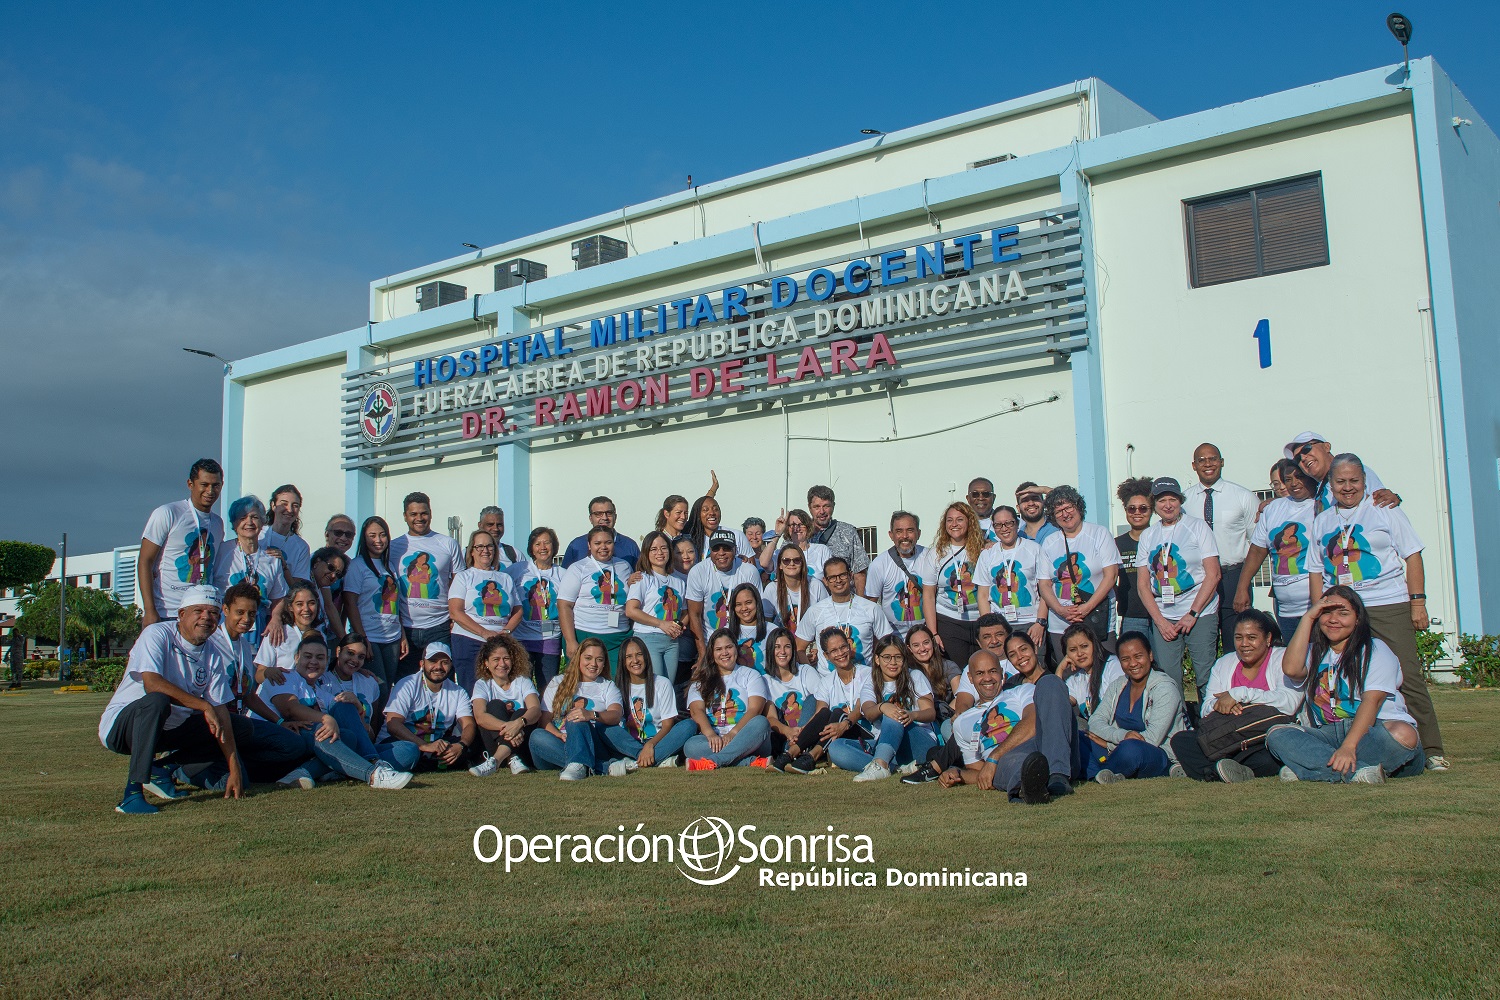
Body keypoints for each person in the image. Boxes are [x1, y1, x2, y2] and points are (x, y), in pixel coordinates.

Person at [1307, 454, 1445, 770]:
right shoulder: (1322, 521)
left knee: (1407, 676)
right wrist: (1319, 611)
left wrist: (1417, 602)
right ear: (1331, 485)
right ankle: (1347, 743)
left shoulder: (1385, 511)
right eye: (1340, 481)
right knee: (1340, 677)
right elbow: (1317, 571)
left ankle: (1433, 749)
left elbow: (1412, 555)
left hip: (1387, 604)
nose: (1348, 487)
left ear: (1365, 481)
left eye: (1354, 480)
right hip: (1342, 609)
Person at [98, 585, 246, 814]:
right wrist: (202, 705)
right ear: (181, 614)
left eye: (213, 612)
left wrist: (234, 767)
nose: (206, 618)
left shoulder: (213, 653)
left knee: (240, 726)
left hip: (168, 730)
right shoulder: (157, 634)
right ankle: (132, 794)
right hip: (123, 727)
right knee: (157, 700)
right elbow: (152, 683)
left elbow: (221, 710)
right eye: (198, 610)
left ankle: (162, 768)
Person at [1269, 588, 1426, 782]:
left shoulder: (1375, 649)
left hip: (1374, 731)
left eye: (1343, 614)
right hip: (1329, 733)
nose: (1333, 620)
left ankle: (1312, 768)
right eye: (1326, 613)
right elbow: (1291, 669)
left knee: (1404, 735)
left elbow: (1372, 702)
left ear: (1358, 618)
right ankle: (1359, 773)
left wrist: (1349, 747)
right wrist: (1308, 618)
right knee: (1277, 734)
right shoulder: (1313, 651)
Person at [176, 581, 305, 790]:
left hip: (239, 725)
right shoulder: (210, 642)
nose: (246, 619)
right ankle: (181, 768)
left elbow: (248, 695)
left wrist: (279, 721)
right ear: (225, 610)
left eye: (252, 614)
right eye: (240, 612)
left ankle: (232, 764)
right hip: (214, 725)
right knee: (236, 784)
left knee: (293, 744)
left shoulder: (245, 647)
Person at [262, 633, 415, 791]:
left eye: (320, 658)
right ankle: (372, 772)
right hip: (276, 740)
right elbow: (290, 709)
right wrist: (327, 718)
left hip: (319, 745)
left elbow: (358, 722)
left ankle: (335, 768)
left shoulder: (318, 691)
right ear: (296, 657)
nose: (314, 662)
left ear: (326, 660)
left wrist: (356, 704)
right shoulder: (285, 676)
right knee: (330, 733)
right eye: (308, 656)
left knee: (408, 749)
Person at [1170, 610, 1301, 782]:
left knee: (1269, 758)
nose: (1244, 644)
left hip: (1263, 739)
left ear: (1268, 638)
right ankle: (1227, 770)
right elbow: (1206, 709)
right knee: (1181, 740)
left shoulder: (1282, 658)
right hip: (1227, 738)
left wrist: (1238, 695)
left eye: (1252, 637)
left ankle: (1210, 771)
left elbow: (1290, 703)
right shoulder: (1224, 663)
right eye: (1239, 638)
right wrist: (1226, 705)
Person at [1136, 476, 1221, 701]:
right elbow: (1143, 585)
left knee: (1205, 674)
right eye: (1162, 500)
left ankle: (1209, 726)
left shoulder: (1197, 526)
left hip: (1199, 611)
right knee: (1169, 679)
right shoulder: (1148, 535)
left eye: (1172, 499)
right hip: (1164, 615)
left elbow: (1213, 574)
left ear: (1180, 501)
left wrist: (1192, 614)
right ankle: (1177, 729)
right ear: (1154, 504)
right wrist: (1160, 621)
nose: (1168, 505)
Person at [829, 635, 939, 782]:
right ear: (877, 659)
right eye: (887, 657)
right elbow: (868, 712)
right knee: (836, 747)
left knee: (894, 713)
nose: (892, 662)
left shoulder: (915, 676)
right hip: (885, 743)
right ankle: (893, 767)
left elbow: (930, 713)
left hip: (918, 741)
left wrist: (912, 715)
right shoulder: (871, 682)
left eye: (898, 657)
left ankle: (880, 764)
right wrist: (882, 706)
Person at [1182, 443, 1259, 649]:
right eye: (1202, 460)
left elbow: (1257, 545)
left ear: (1222, 462)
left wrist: (1244, 584)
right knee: (1203, 644)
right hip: (1199, 580)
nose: (1208, 464)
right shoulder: (1184, 502)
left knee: (1237, 643)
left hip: (1233, 576)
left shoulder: (1243, 496)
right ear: (1194, 465)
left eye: (1213, 458)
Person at [1087, 631, 1186, 783]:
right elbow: (1095, 721)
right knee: (1081, 738)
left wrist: (1108, 743)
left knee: (1131, 750)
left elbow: (1152, 739)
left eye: (1138, 656)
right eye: (1125, 659)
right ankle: (1107, 773)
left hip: (1154, 752)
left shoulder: (1165, 688)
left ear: (1150, 656)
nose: (1133, 664)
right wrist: (1120, 736)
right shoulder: (1118, 685)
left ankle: (1098, 771)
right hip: (1120, 745)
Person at [1037, 485, 1121, 664]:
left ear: (1079, 507)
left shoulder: (1099, 533)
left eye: (1068, 507)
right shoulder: (1049, 542)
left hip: (1096, 615)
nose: (1065, 514)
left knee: (1104, 667)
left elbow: (1111, 575)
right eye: (1058, 511)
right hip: (1062, 621)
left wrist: (1087, 607)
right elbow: (1044, 584)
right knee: (1069, 671)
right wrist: (1060, 610)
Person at [138, 459, 224, 627]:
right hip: (168, 611)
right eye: (204, 484)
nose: (210, 491)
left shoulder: (217, 523)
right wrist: (149, 610)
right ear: (190, 484)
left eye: (216, 485)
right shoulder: (168, 513)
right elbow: (145, 561)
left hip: (201, 612)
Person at [388, 492, 465, 682]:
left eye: (423, 513)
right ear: (405, 516)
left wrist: (457, 618)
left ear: (430, 514)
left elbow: (460, 584)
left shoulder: (448, 544)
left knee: (442, 679)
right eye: (413, 514)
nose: (419, 518)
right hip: (407, 627)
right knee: (405, 682)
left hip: (440, 626)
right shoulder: (393, 547)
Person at [1237, 460, 1318, 639]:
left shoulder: (1321, 506)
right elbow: (1258, 551)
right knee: (1294, 662)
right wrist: (1242, 587)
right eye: (1288, 479)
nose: (1294, 483)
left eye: (1300, 477)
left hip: (1315, 604)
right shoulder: (1273, 509)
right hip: (1285, 606)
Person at [529, 636, 625, 781]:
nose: (593, 664)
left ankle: (579, 764)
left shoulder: (607, 686)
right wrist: (558, 735)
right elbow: (544, 719)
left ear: (604, 663)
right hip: (557, 745)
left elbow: (616, 714)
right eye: (588, 658)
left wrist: (591, 715)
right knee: (536, 736)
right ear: (579, 658)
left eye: (599, 659)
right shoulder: (558, 682)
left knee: (577, 718)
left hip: (592, 744)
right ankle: (603, 767)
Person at [682, 629, 774, 769]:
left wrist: (733, 734)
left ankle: (714, 762)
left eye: (728, 647)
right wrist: (711, 734)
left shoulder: (751, 675)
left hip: (746, 736)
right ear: (712, 655)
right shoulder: (700, 681)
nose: (724, 653)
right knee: (691, 747)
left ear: (736, 650)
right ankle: (750, 762)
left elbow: (755, 709)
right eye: (718, 649)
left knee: (761, 722)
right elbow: (697, 711)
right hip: (715, 738)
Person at [379, 642, 477, 771]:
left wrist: (461, 745)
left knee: (471, 744)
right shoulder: (407, 684)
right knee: (409, 751)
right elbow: (393, 724)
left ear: (450, 665)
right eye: (433, 661)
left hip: (435, 744)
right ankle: (426, 762)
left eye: (444, 662)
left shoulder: (458, 691)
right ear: (422, 664)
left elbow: (468, 724)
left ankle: (427, 763)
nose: (438, 667)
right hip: (400, 742)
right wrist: (424, 746)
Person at [603, 635, 694, 771]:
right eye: (629, 657)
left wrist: (650, 744)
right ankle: (653, 758)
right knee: (603, 728)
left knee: (689, 725)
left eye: (639, 654)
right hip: (630, 743)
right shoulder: (617, 687)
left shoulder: (662, 683)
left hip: (658, 741)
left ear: (646, 656)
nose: (635, 660)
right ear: (623, 661)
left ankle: (635, 762)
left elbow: (667, 725)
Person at [448, 530, 523, 691]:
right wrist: (483, 632)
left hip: (500, 642)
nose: (485, 550)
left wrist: (507, 631)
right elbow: (455, 612)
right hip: (469, 640)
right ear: (472, 551)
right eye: (480, 546)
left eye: (489, 546)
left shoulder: (505, 578)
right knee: (471, 690)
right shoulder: (463, 577)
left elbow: (518, 610)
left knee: (498, 690)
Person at [341, 515, 406, 700]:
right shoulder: (357, 565)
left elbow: (396, 603)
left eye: (382, 535)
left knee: (389, 690)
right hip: (371, 637)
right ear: (364, 538)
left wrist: (401, 634)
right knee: (380, 688)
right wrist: (362, 639)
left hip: (392, 638)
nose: (378, 540)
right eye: (372, 535)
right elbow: (350, 603)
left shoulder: (390, 566)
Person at [916, 502, 986, 668]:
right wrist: (933, 633)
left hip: (978, 619)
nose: (954, 524)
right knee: (957, 671)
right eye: (950, 520)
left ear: (970, 522)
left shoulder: (983, 550)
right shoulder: (936, 554)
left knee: (982, 667)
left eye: (960, 519)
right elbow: (928, 595)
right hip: (949, 620)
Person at [213, 495, 288, 647]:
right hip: (226, 621)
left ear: (262, 522)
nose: (249, 522)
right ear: (234, 524)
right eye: (242, 518)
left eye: (254, 517)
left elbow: (279, 596)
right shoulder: (221, 551)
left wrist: (276, 619)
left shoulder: (272, 557)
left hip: (258, 624)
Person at [559, 525, 635, 670]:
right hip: (585, 634)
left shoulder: (624, 566)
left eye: (608, 542)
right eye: (597, 543)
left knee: (617, 683)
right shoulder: (578, 568)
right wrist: (570, 641)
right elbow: (564, 605)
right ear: (589, 545)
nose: (603, 547)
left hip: (617, 637)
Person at [794, 556, 892, 670]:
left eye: (842, 575)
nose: (838, 580)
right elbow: (798, 648)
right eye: (832, 577)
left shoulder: (871, 608)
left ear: (850, 576)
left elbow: (888, 645)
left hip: (864, 681)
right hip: (828, 682)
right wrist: (810, 674)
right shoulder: (815, 611)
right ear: (825, 581)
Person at [468, 634, 541, 776]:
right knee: (494, 705)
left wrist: (520, 723)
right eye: (496, 659)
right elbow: (480, 716)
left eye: (506, 658)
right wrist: (511, 728)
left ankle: (495, 761)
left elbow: (536, 709)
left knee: (522, 712)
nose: (502, 664)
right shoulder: (482, 684)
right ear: (486, 663)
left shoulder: (522, 681)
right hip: (494, 742)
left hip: (522, 744)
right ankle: (511, 757)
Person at [686, 529, 762, 661]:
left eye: (726, 548)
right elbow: (694, 615)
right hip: (713, 644)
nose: (721, 553)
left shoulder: (749, 571)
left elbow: (758, 610)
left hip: (744, 641)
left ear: (735, 549)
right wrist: (703, 655)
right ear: (710, 550)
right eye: (716, 549)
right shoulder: (698, 572)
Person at [975, 505, 1046, 648]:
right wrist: (989, 629)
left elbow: (1045, 589)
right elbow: (983, 595)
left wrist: (1040, 622)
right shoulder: (987, 554)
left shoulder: (1034, 549)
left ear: (1017, 524)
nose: (1004, 528)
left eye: (1009, 523)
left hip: (1030, 624)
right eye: (998, 525)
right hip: (1000, 627)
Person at [763, 627, 831, 772]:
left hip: (808, 730)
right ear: (770, 650)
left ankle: (797, 750)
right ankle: (793, 752)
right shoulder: (765, 681)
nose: (782, 652)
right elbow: (770, 718)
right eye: (777, 647)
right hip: (785, 738)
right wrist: (787, 731)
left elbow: (822, 704)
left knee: (813, 699)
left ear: (793, 650)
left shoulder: (806, 672)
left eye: (787, 647)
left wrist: (804, 731)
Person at [625, 530, 690, 680]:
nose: (659, 553)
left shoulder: (678, 582)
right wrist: (661, 624)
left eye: (663, 548)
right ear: (646, 553)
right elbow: (631, 610)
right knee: (655, 684)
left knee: (668, 686)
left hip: (672, 641)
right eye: (654, 549)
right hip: (648, 637)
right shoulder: (642, 578)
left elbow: (685, 612)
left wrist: (678, 626)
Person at [1285, 432, 1401, 513]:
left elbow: (1383, 502)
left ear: (1326, 447)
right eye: (1297, 459)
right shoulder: (1319, 488)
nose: (1303, 458)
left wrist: (1392, 497)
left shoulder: (1353, 471)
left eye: (1306, 449)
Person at [508, 526, 566, 687]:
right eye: (537, 544)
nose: (543, 548)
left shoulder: (563, 574)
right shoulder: (518, 570)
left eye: (547, 543)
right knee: (521, 687)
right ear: (531, 549)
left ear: (554, 546)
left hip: (550, 639)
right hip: (521, 639)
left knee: (547, 687)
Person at [1055, 622, 1124, 743]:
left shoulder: (1114, 666)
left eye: (1084, 646)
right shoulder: (1075, 679)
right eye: (1073, 650)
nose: (1080, 654)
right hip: (1094, 738)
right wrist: (1060, 669)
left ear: (1095, 645)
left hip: (1118, 736)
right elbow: (1057, 705)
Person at [863, 511, 927, 638]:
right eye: (899, 531)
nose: (905, 536)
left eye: (910, 530)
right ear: (891, 535)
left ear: (918, 533)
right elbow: (870, 604)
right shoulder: (879, 564)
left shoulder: (929, 557)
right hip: (893, 636)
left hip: (924, 634)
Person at [805, 485, 870, 592]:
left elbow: (860, 572)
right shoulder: (799, 533)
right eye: (817, 507)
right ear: (809, 507)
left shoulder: (848, 531)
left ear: (833, 506)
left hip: (843, 601)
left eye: (826, 506)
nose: (822, 511)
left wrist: (860, 605)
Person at [254, 581, 321, 679]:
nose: (306, 609)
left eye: (311, 603)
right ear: (290, 607)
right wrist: (269, 673)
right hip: (282, 691)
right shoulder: (278, 632)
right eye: (299, 604)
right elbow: (258, 675)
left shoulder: (320, 636)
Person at [1114, 477, 1155, 638]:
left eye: (1143, 508)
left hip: (1161, 612)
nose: (1137, 512)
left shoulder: (1160, 539)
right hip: (1131, 614)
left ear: (1151, 510)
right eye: (1132, 508)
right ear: (1125, 511)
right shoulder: (1116, 543)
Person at [762, 542, 828, 637]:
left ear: (803, 563)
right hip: (782, 643)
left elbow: (825, 619)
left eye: (797, 560)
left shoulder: (816, 585)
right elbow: (766, 621)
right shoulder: (772, 588)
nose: (792, 564)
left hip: (811, 641)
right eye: (786, 560)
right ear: (780, 565)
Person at [904, 623, 958, 730]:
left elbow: (961, 695)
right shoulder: (907, 672)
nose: (922, 648)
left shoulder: (948, 666)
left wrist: (944, 713)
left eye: (926, 643)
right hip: (920, 722)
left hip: (947, 718)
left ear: (933, 643)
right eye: (916, 645)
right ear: (909, 648)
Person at [561, 495, 640, 568]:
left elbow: (639, 577)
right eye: (598, 514)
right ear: (591, 518)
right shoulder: (576, 546)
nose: (605, 517)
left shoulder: (630, 546)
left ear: (615, 517)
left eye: (609, 513)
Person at [759, 508, 833, 581]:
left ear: (808, 527)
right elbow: (764, 563)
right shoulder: (782, 553)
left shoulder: (822, 550)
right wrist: (777, 533)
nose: (797, 528)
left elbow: (831, 577)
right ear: (787, 528)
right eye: (793, 525)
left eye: (801, 524)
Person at [260, 484, 312, 583]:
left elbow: (297, 588)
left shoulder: (302, 547)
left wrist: (283, 565)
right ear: (273, 505)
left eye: (295, 505)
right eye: (284, 504)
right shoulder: (259, 534)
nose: (290, 510)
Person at [684, 495, 756, 562]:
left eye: (715, 509)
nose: (712, 513)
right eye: (705, 510)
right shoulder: (690, 538)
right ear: (698, 515)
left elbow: (752, 569)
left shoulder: (737, 535)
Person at [728, 582, 773, 673]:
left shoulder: (772, 630)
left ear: (757, 603)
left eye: (748, 602)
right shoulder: (725, 632)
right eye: (738, 604)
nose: (744, 608)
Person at [308, 546, 349, 639]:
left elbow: (329, 607)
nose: (333, 575)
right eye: (331, 567)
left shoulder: (321, 586)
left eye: (338, 574)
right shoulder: (305, 582)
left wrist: (345, 641)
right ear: (317, 562)